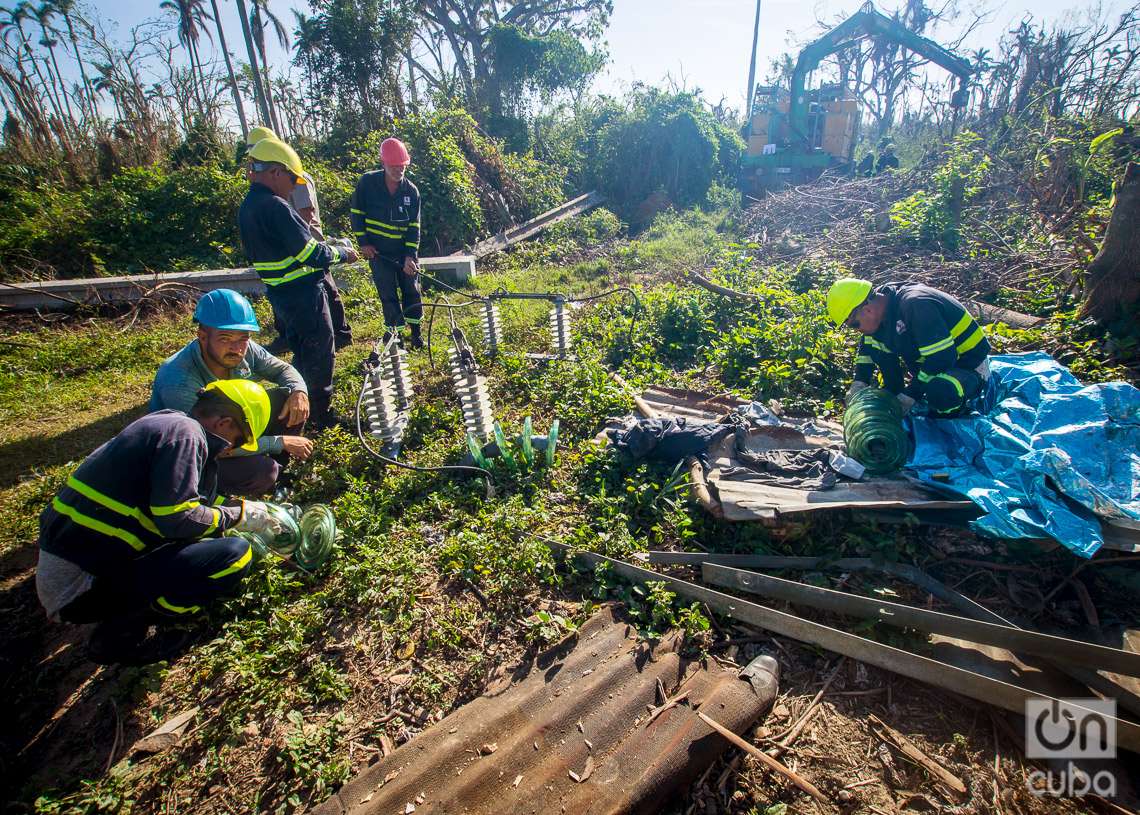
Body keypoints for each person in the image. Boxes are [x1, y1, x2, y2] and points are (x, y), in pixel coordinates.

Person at [36, 379, 280, 664]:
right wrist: (238, 516)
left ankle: (128, 610)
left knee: (210, 538)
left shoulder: (168, 424)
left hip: (70, 573)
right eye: (237, 442)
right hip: (80, 588)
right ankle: (125, 630)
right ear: (224, 424)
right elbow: (177, 519)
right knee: (234, 556)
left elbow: (182, 501)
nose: (229, 450)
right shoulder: (187, 437)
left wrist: (236, 510)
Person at [238, 137, 359, 430]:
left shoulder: (248, 207)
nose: (294, 186)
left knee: (303, 352)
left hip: (281, 294)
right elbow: (312, 253)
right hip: (303, 294)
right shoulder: (276, 207)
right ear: (275, 172)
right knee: (319, 351)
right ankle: (320, 414)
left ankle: (296, 407)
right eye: (292, 178)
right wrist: (343, 253)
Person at [150, 289, 314, 496]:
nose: (236, 348)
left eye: (243, 338)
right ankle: (214, 490)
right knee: (263, 472)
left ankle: (280, 467)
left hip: (232, 427)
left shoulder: (246, 348)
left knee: (288, 399)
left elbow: (283, 369)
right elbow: (207, 444)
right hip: (194, 451)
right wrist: (278, 442)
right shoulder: (178, 380)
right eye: (225, 338)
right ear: (202, 336)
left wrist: (299, 391)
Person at [244, 127, 353, 354]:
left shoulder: (261, 202)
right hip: (296, 284)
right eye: (253, 161)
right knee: (314, 348)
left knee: (327, 299)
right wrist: (340, 253)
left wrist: (331, 250)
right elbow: (302, 251)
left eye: (256, 161)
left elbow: (306, 216)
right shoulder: (268, 203)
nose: (252, 168)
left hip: (298, 270)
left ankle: (340, 335)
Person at [827, 278, 991, 417]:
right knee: (891, 380)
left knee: (941, 392)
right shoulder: (884, 311)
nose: (857, 330)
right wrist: (860, 381)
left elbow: (942, 359)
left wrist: (910, 394)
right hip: (934, 366)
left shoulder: (916, 305)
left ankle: (956, 416)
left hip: (967, 366)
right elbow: (869, 349)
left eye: (854, 325)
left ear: (868, 309)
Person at [350, 137, 424, 348]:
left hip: (404, 252)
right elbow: (356, 214)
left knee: (412, 290)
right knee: (388, 294)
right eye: (394, 166)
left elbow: (414, 227)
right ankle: (396, 336)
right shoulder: (367, 183)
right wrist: (363, 242)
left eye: (402, 166)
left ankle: (416, 333)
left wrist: (410, 255)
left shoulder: (412, 192)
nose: (398, 170)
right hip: (379, 253)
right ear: (383, 164)